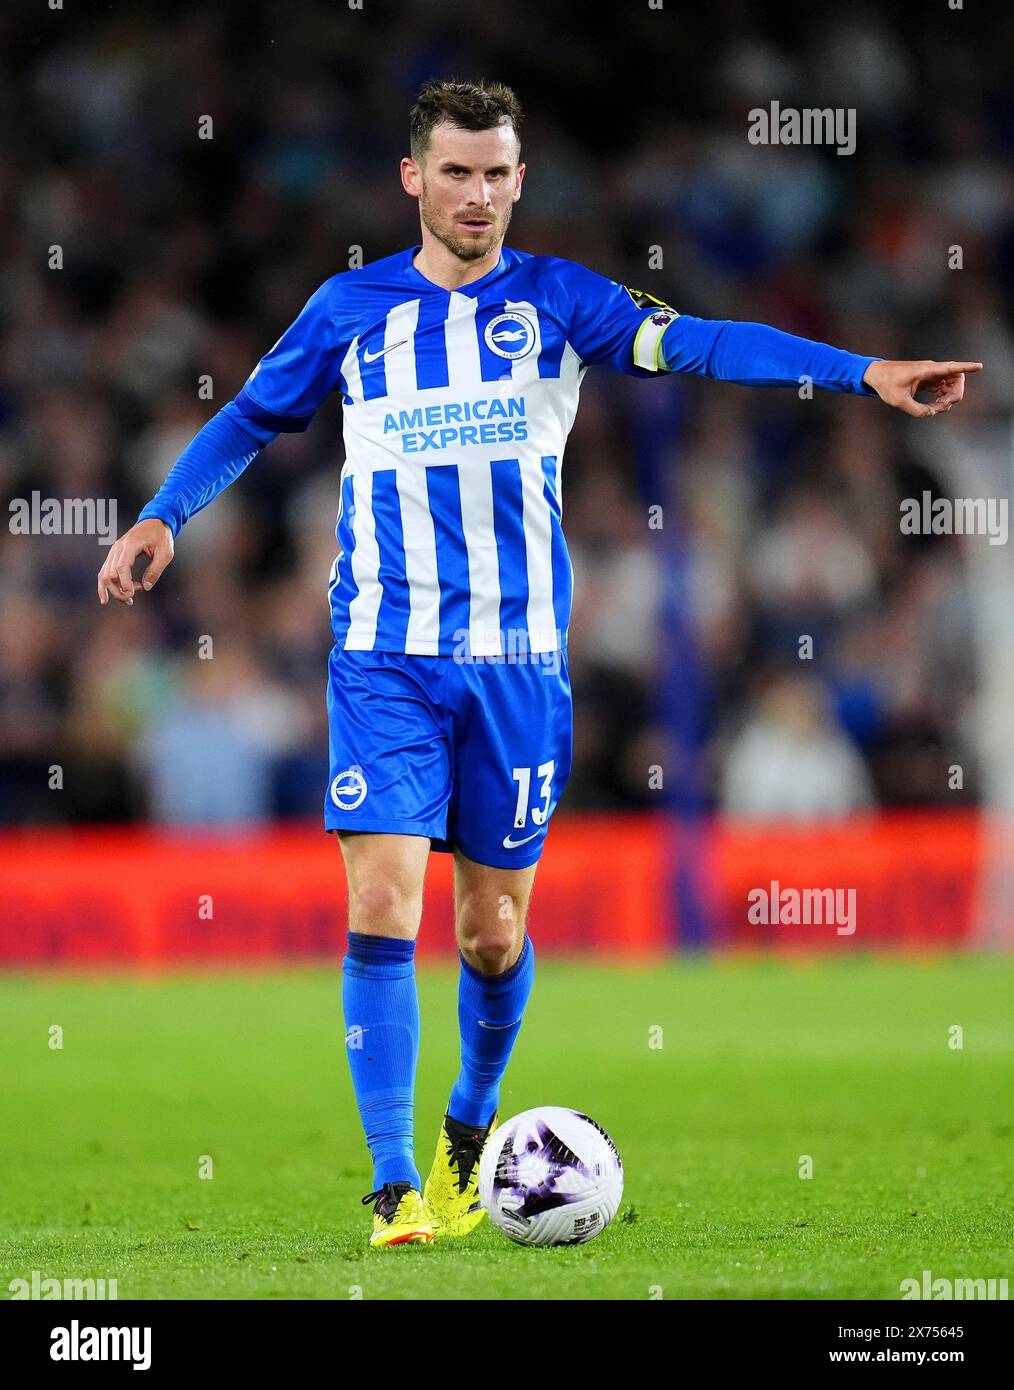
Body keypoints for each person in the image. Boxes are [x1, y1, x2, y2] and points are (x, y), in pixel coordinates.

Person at [97, 77, 982, 1248]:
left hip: (518, 665)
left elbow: (704, 344)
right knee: (380, 898)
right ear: (413, 179)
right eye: (454, 171)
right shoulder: (349, 309)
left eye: (496, 172)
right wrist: (165, 511)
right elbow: (250, 418)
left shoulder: (563, 301)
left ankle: (470, 1129)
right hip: (386, 654)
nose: (477, 192)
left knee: (491, 935)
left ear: (522, 179)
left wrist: (861, 372)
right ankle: (393, 1183)